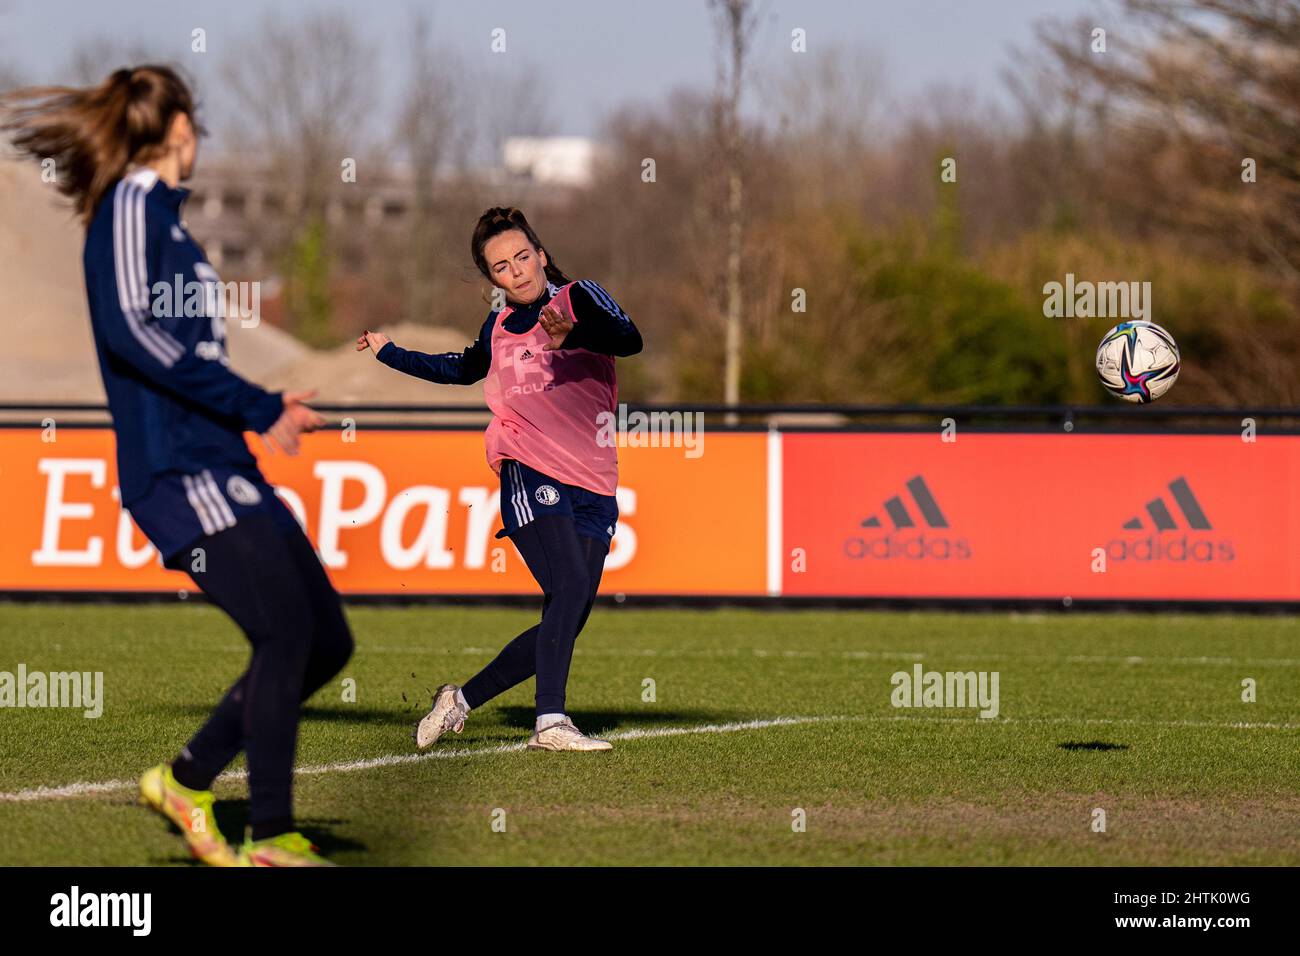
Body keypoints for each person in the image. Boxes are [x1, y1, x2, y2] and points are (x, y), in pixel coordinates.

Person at [2, 65, 352, 865]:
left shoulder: (171, 227)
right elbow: (134, 334)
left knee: (325, 641)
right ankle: (272, 833)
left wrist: (252, 414)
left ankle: (188, 780)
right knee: (285, 630)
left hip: (221, 460)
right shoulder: (129, 204)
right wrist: (258, 402)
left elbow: (177, 344)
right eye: (199, 128)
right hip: (176, 470)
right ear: (180, 129)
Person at [357, 206, 642, 752]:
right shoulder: (499, 327)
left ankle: (458, 700)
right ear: (491, 279)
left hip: (595, 479)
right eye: (501, 267)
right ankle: (551, 723)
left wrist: (577, 330)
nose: (516, 271)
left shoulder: (577, 298)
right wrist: (389, 352)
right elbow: (462, 368)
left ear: (539, 252)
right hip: (528, 462)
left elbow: (629, 339)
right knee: (569, 590)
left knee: (570, 612)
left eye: (521, 256)